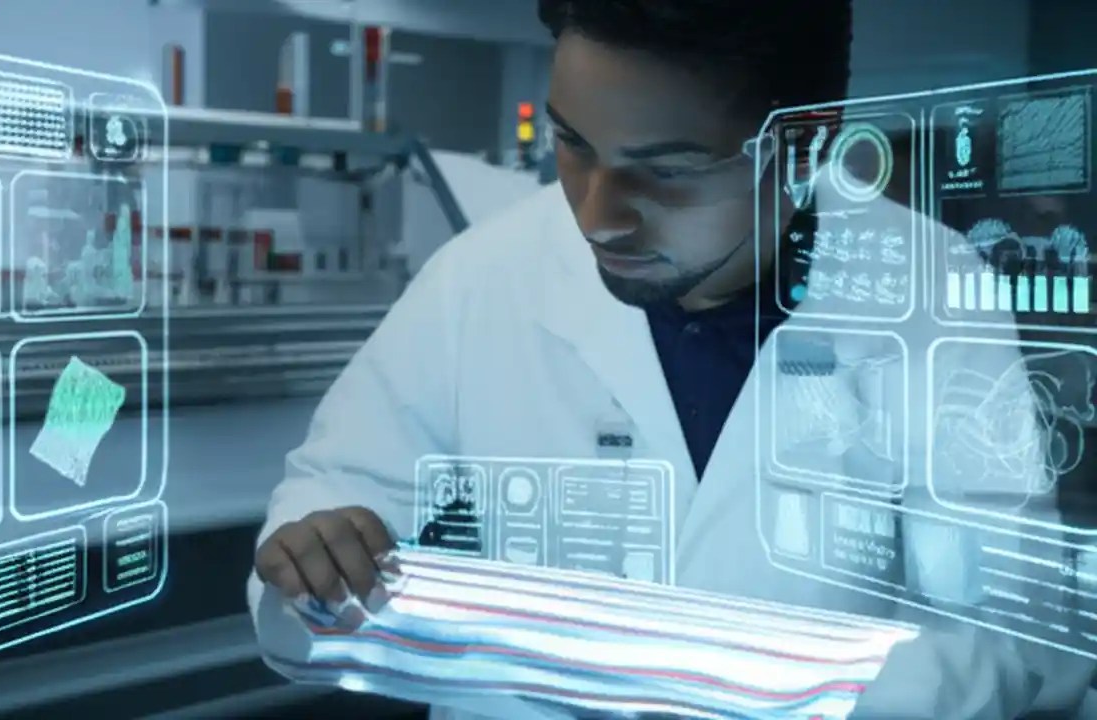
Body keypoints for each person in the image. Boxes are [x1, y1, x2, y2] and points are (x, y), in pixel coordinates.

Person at [249, 1, 1096, 717]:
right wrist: (318, 550)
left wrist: (744, 687)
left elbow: (1009, 638)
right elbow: (330, 501)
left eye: (672, 172)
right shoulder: (483, 275)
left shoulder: (928, 286)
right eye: (574, 144)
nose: (598, 218)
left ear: (802, 146)